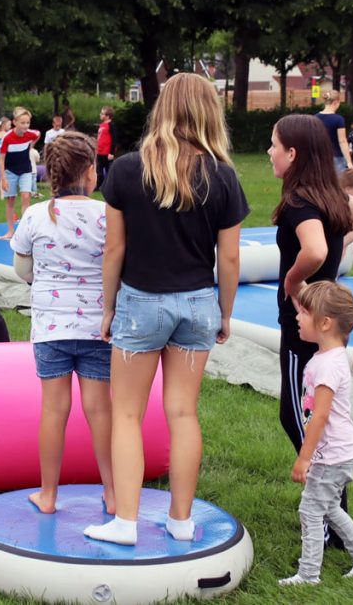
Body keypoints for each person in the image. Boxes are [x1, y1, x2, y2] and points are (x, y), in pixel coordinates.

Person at [83, 73, 250, 547]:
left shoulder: (126, 169)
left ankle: (126, 523)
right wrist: (225, 312)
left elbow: (114, 250)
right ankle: (180, 521)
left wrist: (108, 308)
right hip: (198, 303)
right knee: (183, 414)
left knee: (128, 416)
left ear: (162, 109)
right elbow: (230, 258)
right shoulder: (223, 175)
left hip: (140, 304)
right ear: (208, 112)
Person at [267, 114, 353, 549]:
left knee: (300, 417)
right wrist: (338, 249)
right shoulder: (328, 196)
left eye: (274, 145)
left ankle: (331, 517)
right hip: (324, 325)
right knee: (315, 413)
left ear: (293, 154)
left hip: (305, 328)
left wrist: (294, 283)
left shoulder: (299, 203)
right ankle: (335, 513)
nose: (270, 152)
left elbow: (312, 249)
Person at [9, 132, 113, 513]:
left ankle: (49, 495)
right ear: (89, 172)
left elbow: (22, 269)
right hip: (97, 328)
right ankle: (113, 492)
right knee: (100, 410)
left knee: (54, 411)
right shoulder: (106, 214)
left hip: (51, 329)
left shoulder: (36, 215)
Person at [278, 281, 353, 586]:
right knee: (329, 507)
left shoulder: (328, 366)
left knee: (310, 510)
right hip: (339, 452)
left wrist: (304, 458)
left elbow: (320, 415)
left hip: (332, 455)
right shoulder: (328, 357)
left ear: (324, 323)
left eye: (303, 313)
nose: (297, 317)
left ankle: (308, 574)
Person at [0, 107, 40, 239]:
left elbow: (37, 134)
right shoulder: (7, 138)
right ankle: (11, 231)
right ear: (15, 122)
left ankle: (24, 231)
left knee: (26, 196)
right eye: (22, 123)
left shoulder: (30, 134)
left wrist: (30, 146)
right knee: (11, 200)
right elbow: (2, 159)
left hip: (25, 170)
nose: (26, 126)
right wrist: (3, 178)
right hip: (10, 171)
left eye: (28, 123)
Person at [316, 90, 353, 173]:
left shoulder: (315, 118)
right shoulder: (338, 119)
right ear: (336, 102)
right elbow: (342, 141)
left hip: (319, 157)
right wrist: (349, 162)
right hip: (336, 157)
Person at [96, 106, 118, 190]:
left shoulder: (111, 125)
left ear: (108, 116)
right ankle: (99, 186)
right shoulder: (102, 125)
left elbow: (114, 139)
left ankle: (109, 187)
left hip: (107, 153)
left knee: (109, 171)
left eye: (102, 113)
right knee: (99, 171)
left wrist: (111, 153)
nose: (100, 115)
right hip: (99, 152)